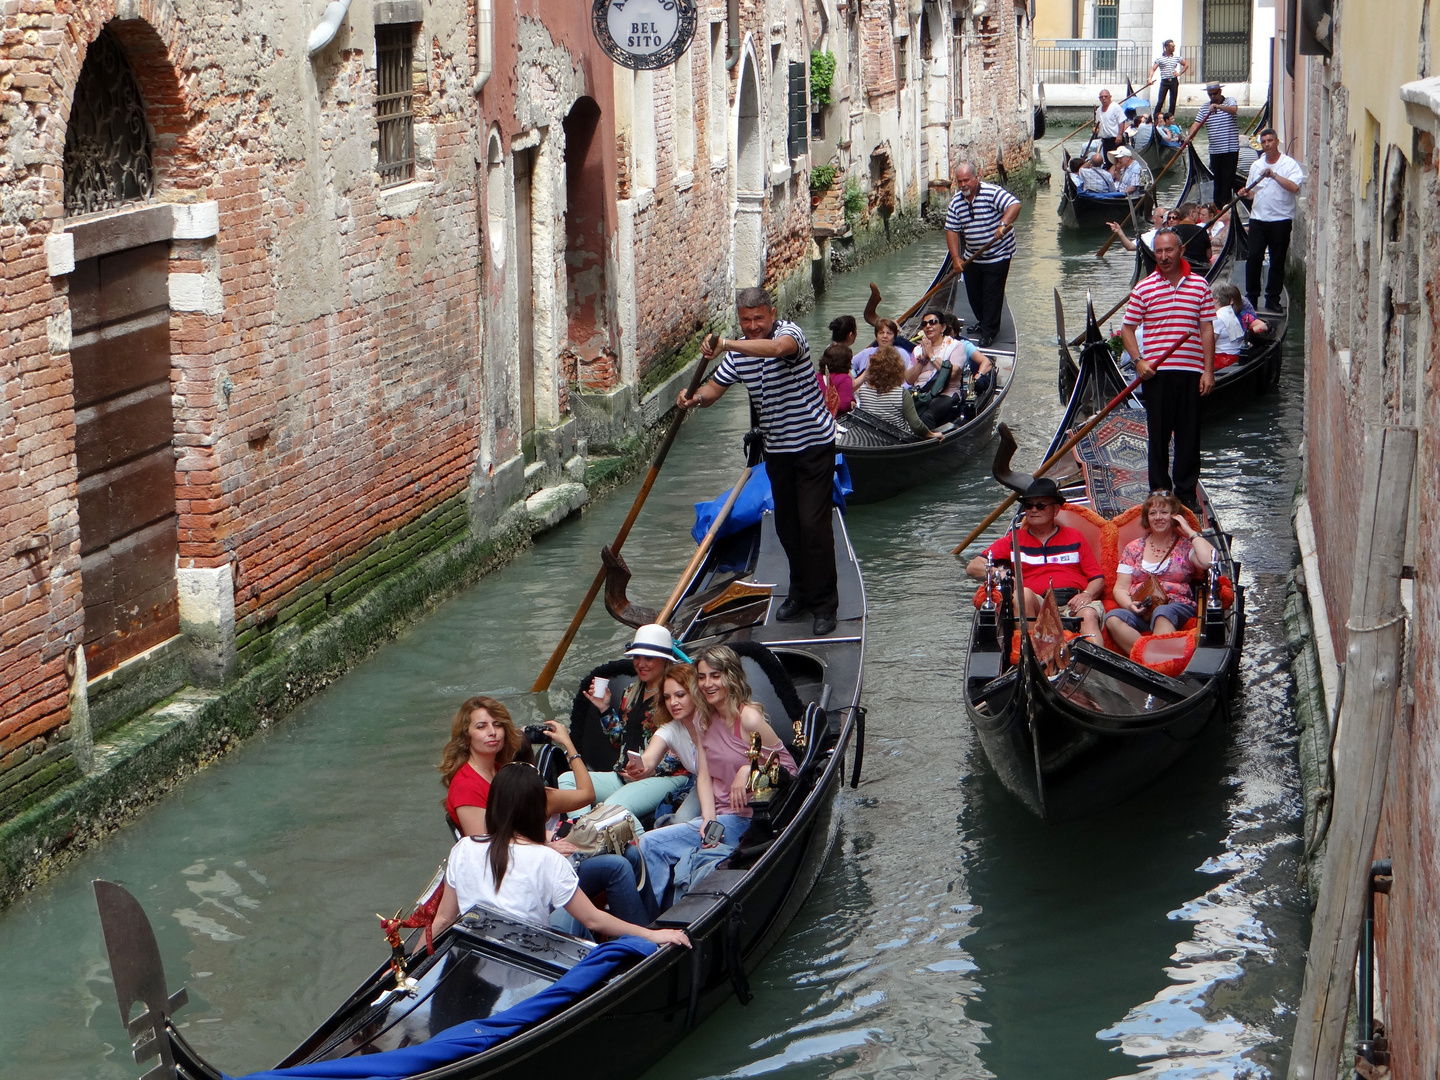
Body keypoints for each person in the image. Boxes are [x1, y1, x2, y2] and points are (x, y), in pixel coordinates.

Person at [680, 288, 839, 636]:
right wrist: (694, 399)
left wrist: (725, 344)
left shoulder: (790, 334)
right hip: (777, 449)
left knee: (813, 526)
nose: (752, 326)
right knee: (787, 527)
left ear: (772, 314)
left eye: (758, 319)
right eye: (746, 320)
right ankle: (799, 592)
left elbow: (777, 349)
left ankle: (825, 604)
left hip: (814, 444)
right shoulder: (739, 354)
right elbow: (714, 389)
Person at [429, 764, 692, 949]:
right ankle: (643, 949)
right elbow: (592, 918)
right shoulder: (548, 859)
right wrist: (652, 936)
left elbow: (442, 920)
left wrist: (412, 968)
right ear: (538, 810)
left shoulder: (463, 848)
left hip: (477, 953)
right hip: (528, 961)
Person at [638, 646, 797, 909]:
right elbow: (704, 775)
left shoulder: (749, 719)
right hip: (719, 818)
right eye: (702, 677)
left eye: (715, 676)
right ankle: (652, 918)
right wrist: (709, 820)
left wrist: (748, 770)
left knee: (653, 843)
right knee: (649, 843)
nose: (707, 684)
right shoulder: (703, 718)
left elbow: (789, 770)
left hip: (748, 820)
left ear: (730, 677)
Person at [1121, 228, 1216, 512]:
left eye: (1169, 250)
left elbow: (1207, 329)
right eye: (1159, 251)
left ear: (1181, 251)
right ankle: (1160, 490)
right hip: (1157, 373)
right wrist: (1138, 361)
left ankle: (1186, 492)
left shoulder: (1200, 286)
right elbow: (1127, 329)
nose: (1163, 256)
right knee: (1159, 435)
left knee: (1189, 434)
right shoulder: (1143, 288)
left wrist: (1208, 371)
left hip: (1191, 371)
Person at [565, 624, 692, 821]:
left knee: (610, 809)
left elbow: (683, 745)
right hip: (624, 776)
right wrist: (604, 709)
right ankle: (579, 826)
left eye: (648, 658)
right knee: (567, 780)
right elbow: (620, 741)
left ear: (664, 660)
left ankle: (588, 829)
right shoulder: (630, 692)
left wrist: (646, 771)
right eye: (637, 657)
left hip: (665, 778)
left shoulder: (674, 698)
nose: (641, 664)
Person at [965, 478, 1106, 646]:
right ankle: (1032, 651)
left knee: (1088, 615)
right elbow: (973, 567)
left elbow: (1097, 579)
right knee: (1022, 595)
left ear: (1055, 510)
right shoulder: (1013, 540)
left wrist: (1087, 594)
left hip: (1073, 602)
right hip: (1036, 602)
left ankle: (1092, 659)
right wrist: (999, 573)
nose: (1033, 510)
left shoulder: (1075, 537)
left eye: (1040, 506)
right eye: (1028, 505)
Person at [441, 696, 594, 837]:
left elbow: (586, 795)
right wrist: (546, 843)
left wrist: (567, 743)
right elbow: (483, 847)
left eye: (497, 725)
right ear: (466, 737)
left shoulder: (502, 772)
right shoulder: (466, 786)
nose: (492, 732)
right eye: (481, 727)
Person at [1105, 490, 1216, 654]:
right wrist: (1129, 605)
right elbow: (1120, 588)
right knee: (1113, 618)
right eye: (1153, 513)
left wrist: (1190, 532)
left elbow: (1210, 561)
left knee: (1162, 612)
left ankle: (1158, 659)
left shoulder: (1185, 546)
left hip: (1176, 607)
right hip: (1143, 609)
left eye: (1164, 512)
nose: (1158, 517)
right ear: (1147, 518)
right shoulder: (1133, 548)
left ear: (1174, 517)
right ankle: (1146, 657)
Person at [621, 663, 713, 823]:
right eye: (667, 697)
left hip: (731, 783)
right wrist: (640, 767)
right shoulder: (671, 729)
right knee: (681, 821)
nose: (673, 702)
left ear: (695, 694)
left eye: (680, 695)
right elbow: (649, 758)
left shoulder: (714, 721)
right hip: (702, 787)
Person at [944, 161, 1020, 348]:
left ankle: (989, 332)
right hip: (973, 255)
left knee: (991, 294)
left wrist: (1002, 224)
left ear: (976, 178)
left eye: (966, 180)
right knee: (974, 294)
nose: (963, 185)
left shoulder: (992, 192)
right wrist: (956, 259)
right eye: (960, 181)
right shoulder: (956, 202)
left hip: (999, 253)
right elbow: (952, 230)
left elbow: (1015, 205)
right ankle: (983, 321)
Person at [1238, 127, 1305, 316]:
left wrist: (1274, 175)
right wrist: (1245, 193)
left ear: (1276, 142)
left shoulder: (1289, 165)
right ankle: (1252, 297)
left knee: (1277, 260)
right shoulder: (1256, 165)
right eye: (1264, 142)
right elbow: (1253, 193)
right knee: (1253, 258)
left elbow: (1294, 187)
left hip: (1281, 220)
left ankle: (1273, 299)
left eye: (1269, 141)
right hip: (1258, 219)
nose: (1267, 144)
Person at [905, 309, 991, 427]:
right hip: (920, 392)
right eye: (924, 324)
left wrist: (931, 356)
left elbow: (953, 374)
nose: (928, 326)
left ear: (943, 327)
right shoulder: (918, 349)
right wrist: (922, 360)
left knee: (925, 415)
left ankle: (928, 437)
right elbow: (909, 379)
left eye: (933, 322)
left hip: (945, 393)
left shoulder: (956, 346)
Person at [852, 345, 944, 441]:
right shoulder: (902, 394)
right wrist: (931, 434)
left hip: (869, 437)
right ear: (897, 370)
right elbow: (915, 424)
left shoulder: (863, 390)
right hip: (896, 440)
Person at [1185, 82, 1241, 205]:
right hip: (1215, 150)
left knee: (1227, 180)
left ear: (1220, 91)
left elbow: (1233, 110)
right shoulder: (1205, 108)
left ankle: (1226, 206)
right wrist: (1190, 136)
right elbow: (1196, 123)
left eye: (1215, 93)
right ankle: (1218, 207)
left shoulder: (1230, 101)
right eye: (1210, 94)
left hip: (1230, 149)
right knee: (1217, 180)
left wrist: (1218, 107)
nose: (1212, 96)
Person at [1211, 282, 1268, 369]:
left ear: (1215, 299)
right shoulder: (1230, 312)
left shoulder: (1218, 318)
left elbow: (1209, 345)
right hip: (1235, 355)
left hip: (1223, 358)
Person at [1149, 39, 1188, 119]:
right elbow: (1153, 69)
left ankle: (1170, 118)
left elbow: (1186, 65)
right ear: (1167, 47)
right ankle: (1155, 118)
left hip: (1173, 81)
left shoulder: (1177, 57)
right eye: (1172, 46)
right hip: (1164, 82)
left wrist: (1179, 73)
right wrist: (1149, 78)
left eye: (1174, 46)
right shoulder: (1160, 58)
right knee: (1160, 101)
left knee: (1173, 101)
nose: (1174, 48)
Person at [816, 342, 855, 416]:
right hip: (834, 419)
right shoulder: (844, 379)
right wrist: (850, 405)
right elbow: (843, 406)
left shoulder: (816, 376)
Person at [1092, 89, 1127, 158]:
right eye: (1101, 97)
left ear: (1110, 97)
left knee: (1117, 159)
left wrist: (1120, 135)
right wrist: (1095, 129)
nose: (1103, 98)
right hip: (1105, 140)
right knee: (1107, 159)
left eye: (1105, 96)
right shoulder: (1099, 110)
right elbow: (1097, 124)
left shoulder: (1116, 107)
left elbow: (1121, 121)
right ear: (1099, 99)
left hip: (1115, 139)